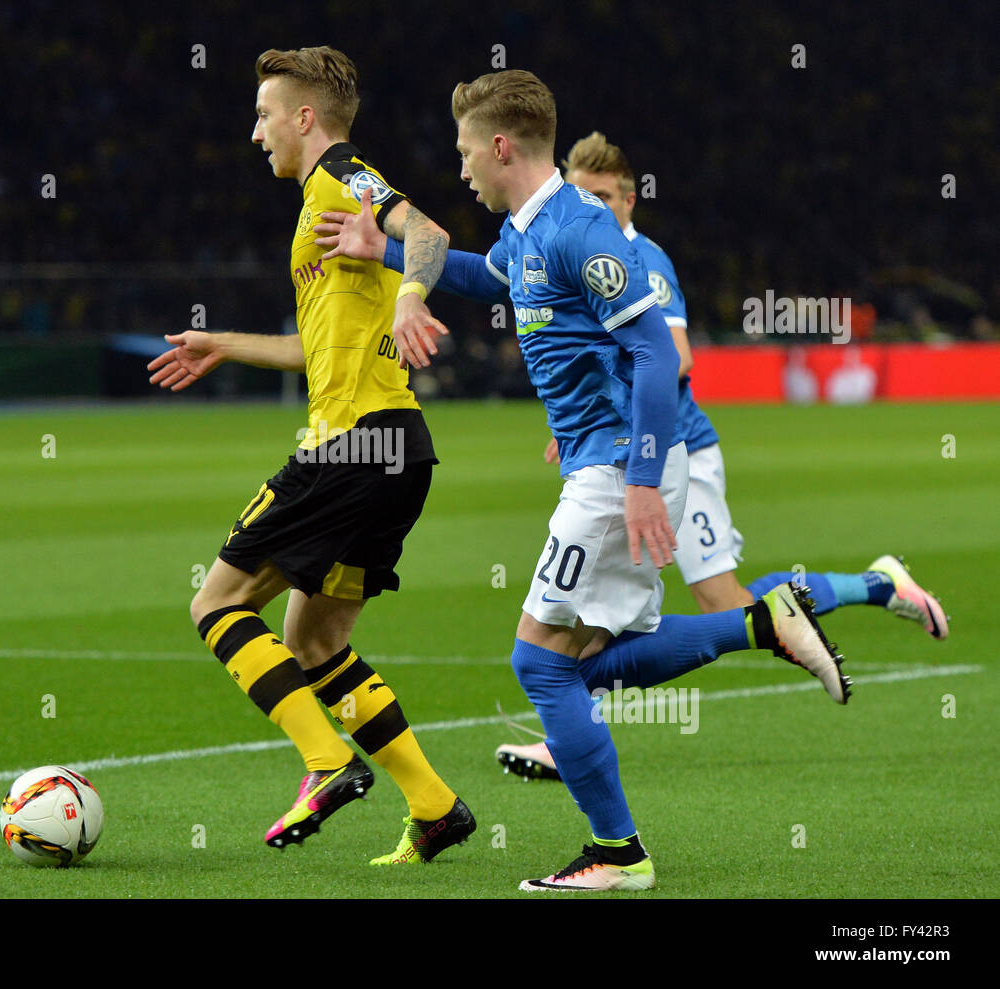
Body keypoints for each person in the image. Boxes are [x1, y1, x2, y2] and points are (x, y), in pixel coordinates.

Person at [315, 69, 850, 891]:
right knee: (595, 658)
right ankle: (761, 624)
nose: (459, 171)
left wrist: (637, 478)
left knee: (541, 667)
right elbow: (489, 279)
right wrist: (382, 250)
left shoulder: (579, 230)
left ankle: (619, 852)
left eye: (464, 153)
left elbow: (654, 356)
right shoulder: (528, 235)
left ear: (501, 148)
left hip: (615, 469)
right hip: (604, 462)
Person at [492, 133, 948, 781]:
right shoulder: (574, 253)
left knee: (720, 605)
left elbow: (674, 357)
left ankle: (877, 584)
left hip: (678, 451)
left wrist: (612, 407)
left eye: (601, 193)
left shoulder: (641, 261)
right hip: (631, 449)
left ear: (629, 198)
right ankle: (571, 727)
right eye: (578, 189)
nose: (587, 201)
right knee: (612, 609)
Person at [147, 46, 473, 865]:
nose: (255, 133)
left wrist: (406, 293)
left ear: (303, 116)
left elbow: (428, 235)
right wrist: (223, 342)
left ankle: (326, 762)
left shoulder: (344, 175)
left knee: (216, 606)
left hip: (351, 445)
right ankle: (434, 806)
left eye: (263, 116)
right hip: (400, 451)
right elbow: (316, 349)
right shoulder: (319, 208)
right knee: (316, 640)